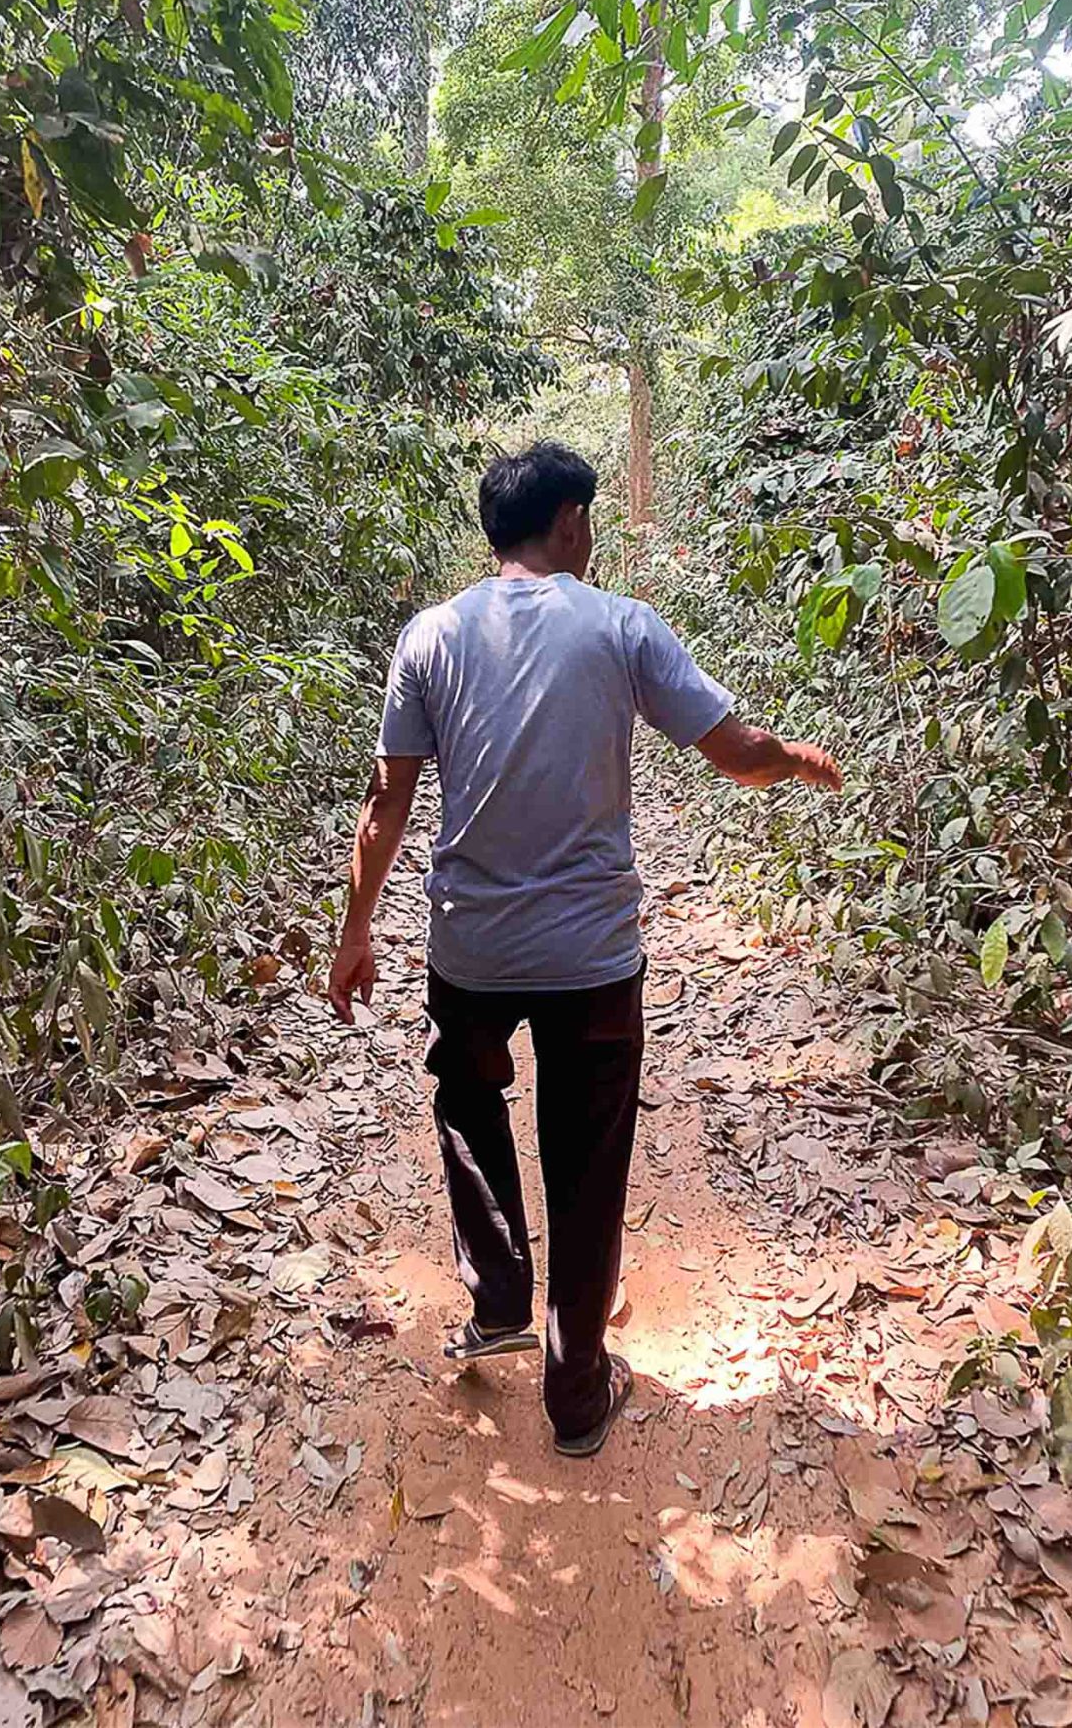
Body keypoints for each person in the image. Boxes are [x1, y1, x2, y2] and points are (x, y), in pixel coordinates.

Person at [325, 441, 843, 1458]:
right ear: (568, 520)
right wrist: (793, 760)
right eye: (589, 519)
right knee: (589, 1157)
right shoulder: (620, 626)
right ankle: (575, 1392)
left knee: (469, 1105)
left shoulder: (431, 635)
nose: (592, 536)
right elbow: (735, 754)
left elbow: (389, 798)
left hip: (470, 947)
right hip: (593, 955)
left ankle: (502, 1293)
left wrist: (355, 929)